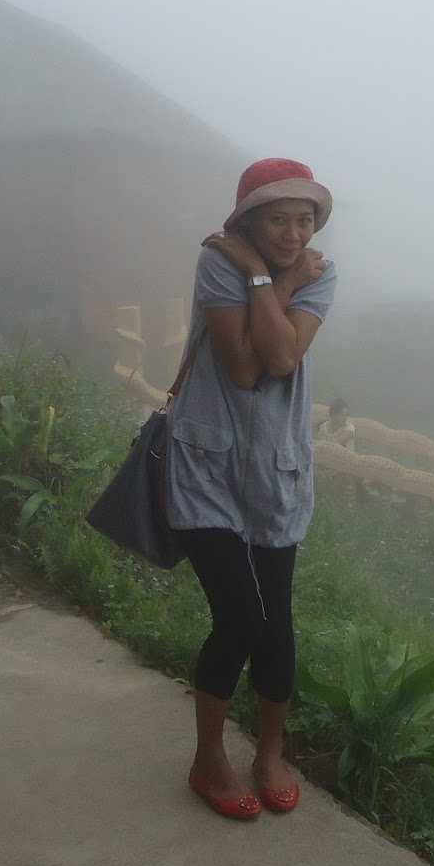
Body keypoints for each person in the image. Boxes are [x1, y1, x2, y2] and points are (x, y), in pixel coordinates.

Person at [165, 157, 336, 820]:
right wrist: (272, 278)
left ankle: (269, 752)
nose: (294, 233)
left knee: (276, 622)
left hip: (275, 469)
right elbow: (243, 368)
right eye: (277, 219)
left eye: (304, 220)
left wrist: (269, 275)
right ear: (246, 220)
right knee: (241, 615)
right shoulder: (218, 264)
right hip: (205, 464)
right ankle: (209, 760)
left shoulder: (322, 273)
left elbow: (285, 355)